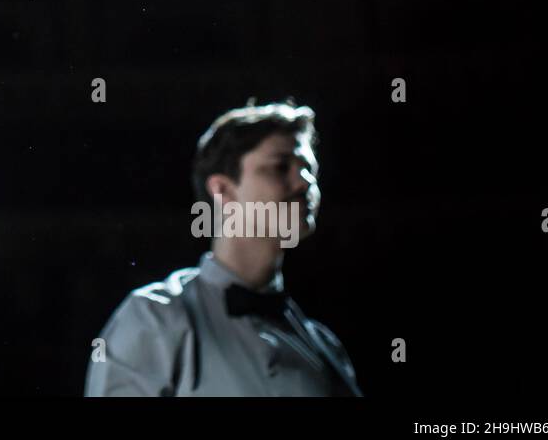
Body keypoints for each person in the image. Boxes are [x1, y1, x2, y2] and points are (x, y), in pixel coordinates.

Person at [85, 100, 361, 396]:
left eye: (309, 170)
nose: (305, 183)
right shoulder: (154, 318)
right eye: (281, 166)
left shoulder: (323, 348)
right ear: (223, 190)